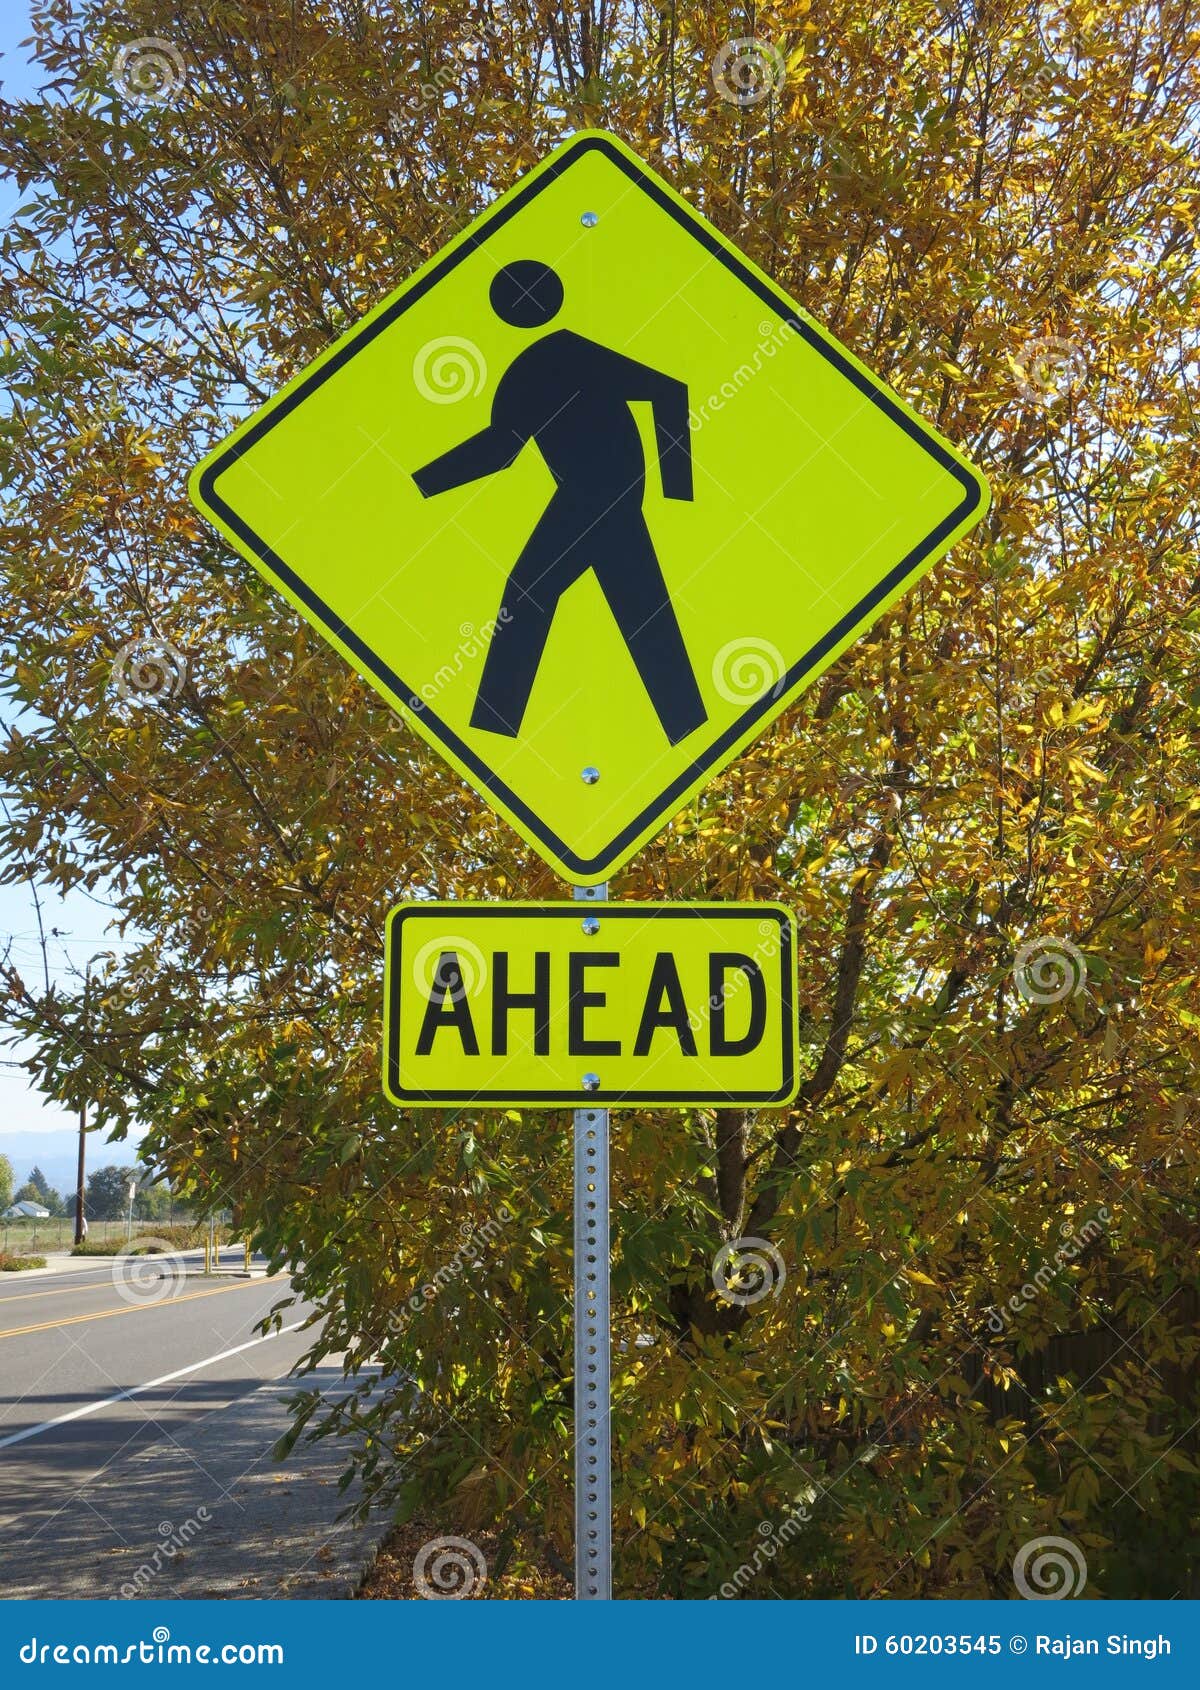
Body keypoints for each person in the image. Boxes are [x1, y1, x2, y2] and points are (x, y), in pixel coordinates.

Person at [413, 260, 708, 745]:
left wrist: (678, 491)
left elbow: (668, 392)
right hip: (596, 494)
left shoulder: (566, 352)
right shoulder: (527, 372)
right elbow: (501, 448)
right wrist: (422, 484)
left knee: (527, 592)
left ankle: (494, 728)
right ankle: (688, 729)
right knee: (640, 607)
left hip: (601, 491)